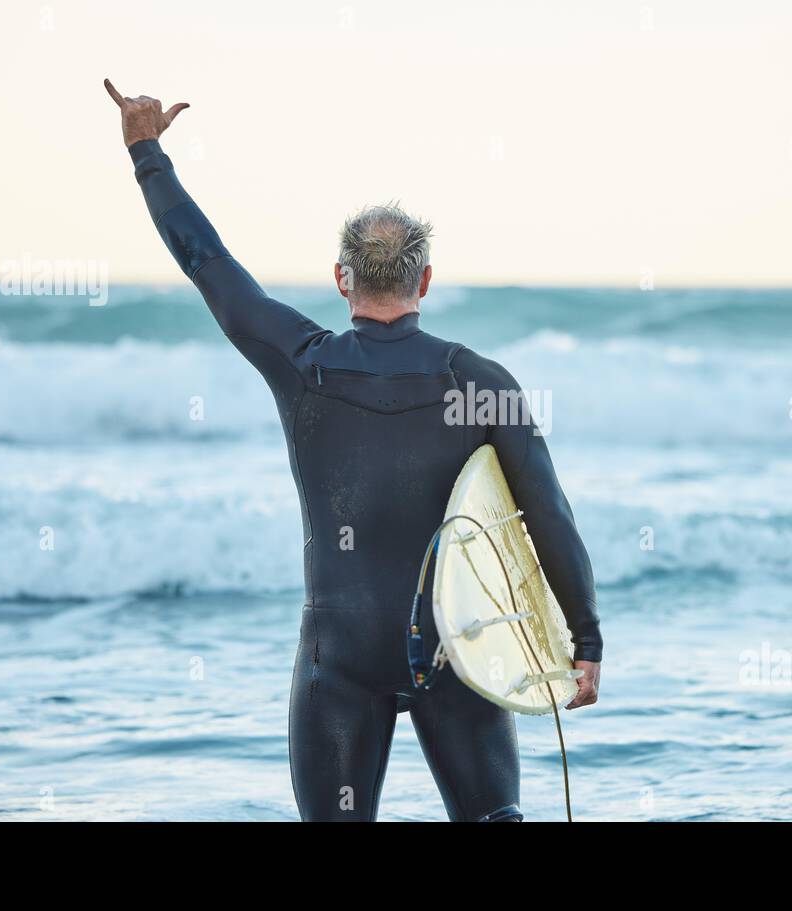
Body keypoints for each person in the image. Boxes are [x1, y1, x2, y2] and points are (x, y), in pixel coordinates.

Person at [104, 80, 602, 821]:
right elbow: (548, 515)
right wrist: (584, 637)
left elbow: (207, 264)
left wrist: (147, 153)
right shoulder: (480, 383)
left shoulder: (303, 366)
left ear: (342, 279)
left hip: (338, 662)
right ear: (425, 280)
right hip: (455, 653)